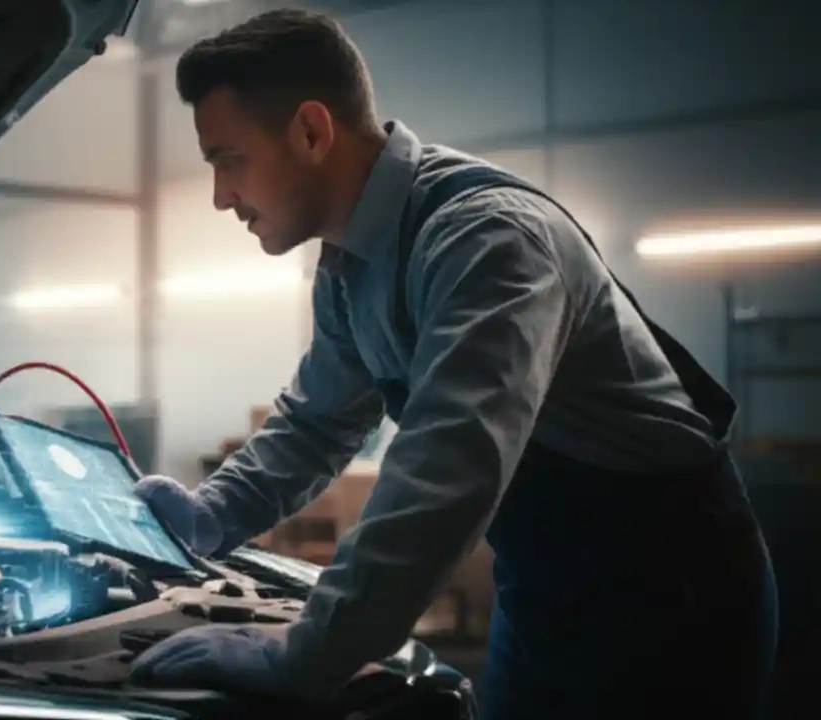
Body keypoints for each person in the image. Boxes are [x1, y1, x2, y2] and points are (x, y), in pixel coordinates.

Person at [126, 9, 778, 719]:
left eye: (228, 159)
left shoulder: (487, 240)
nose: (221, 196)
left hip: (669, 597)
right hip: (545, 591)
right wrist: (211, 514)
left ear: (311, 131)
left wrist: (304, 658)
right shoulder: (350, 265)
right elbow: (316, 424)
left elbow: (445, 477)